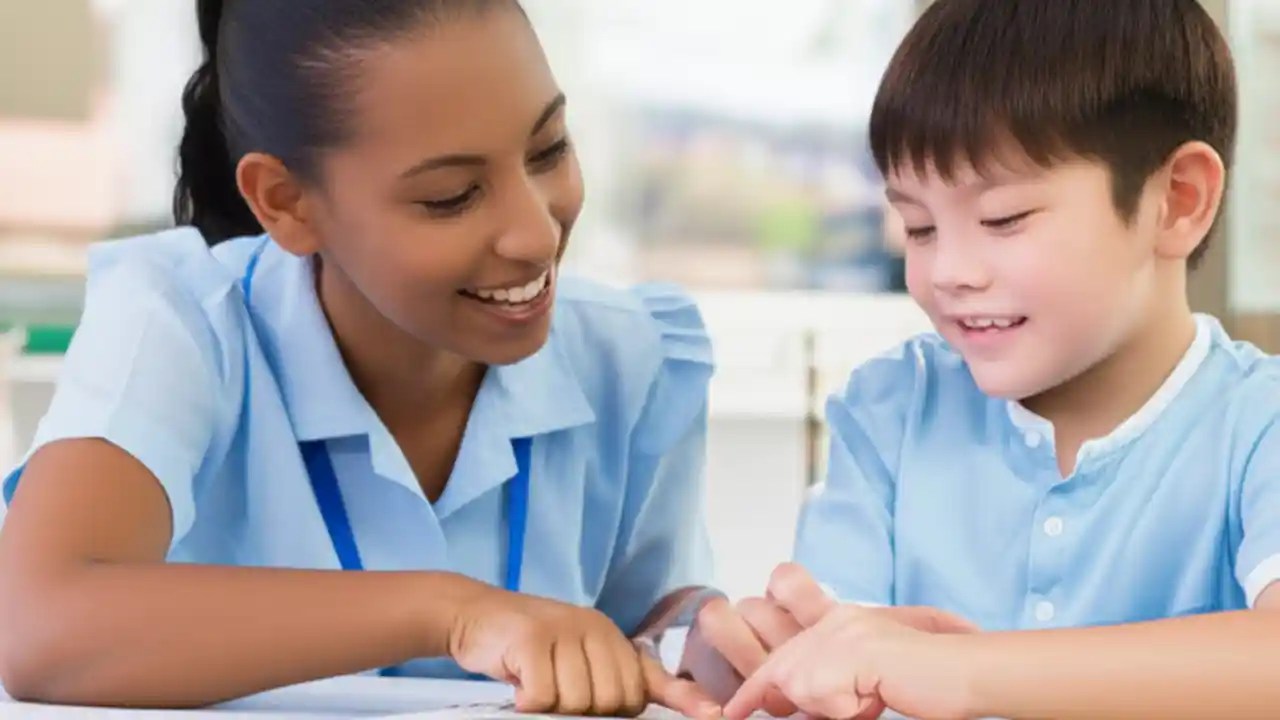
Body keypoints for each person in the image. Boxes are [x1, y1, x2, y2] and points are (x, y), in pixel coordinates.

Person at [0, 2, 721, 717]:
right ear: (286, 203)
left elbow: (645, 628)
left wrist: (702, 637)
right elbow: (39, 628)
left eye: (549, 150)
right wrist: (452, 611)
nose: (536, 235)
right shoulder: (185, 324)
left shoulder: (631, 355)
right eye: (452, 196)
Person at [691, 1, 1280, 717]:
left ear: (1177, 201)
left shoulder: (1258, 423)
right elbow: (833, 666)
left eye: (1003, 219)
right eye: (919, 227)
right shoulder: (893, 410)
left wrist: (963, 671)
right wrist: (756, 663)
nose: (949, 272)